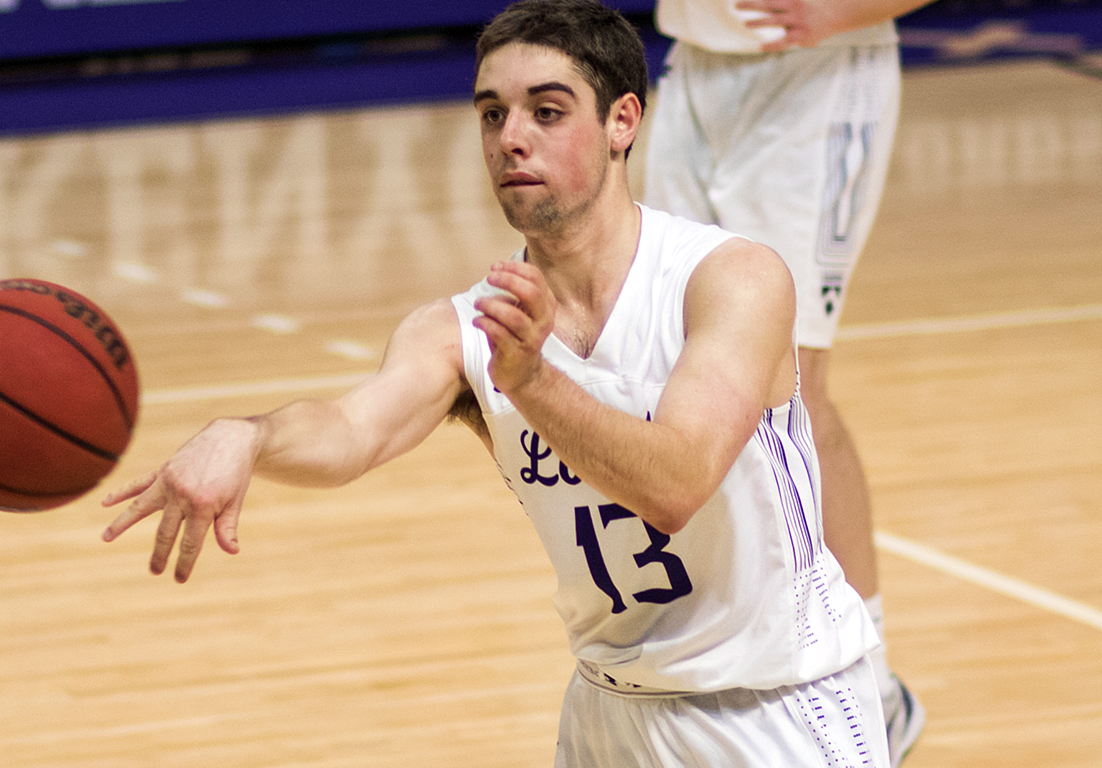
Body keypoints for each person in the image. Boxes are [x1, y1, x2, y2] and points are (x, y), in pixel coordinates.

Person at [102, 0, 887, 764]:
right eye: (491, 114)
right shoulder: (460, 330)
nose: (511, 138)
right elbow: (349, 432)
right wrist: (249, 436)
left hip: (773, 708)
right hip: (611, 710)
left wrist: (534, 383)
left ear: (622, 121)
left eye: (547, 112)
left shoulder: (730, 280)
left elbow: (677, 482)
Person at [641, 0, 934, 762]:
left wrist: (843, 10)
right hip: (695, 67)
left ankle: (873, 691)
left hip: (818, 80)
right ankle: (739, 661)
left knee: (794, 385)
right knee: (681, 363)